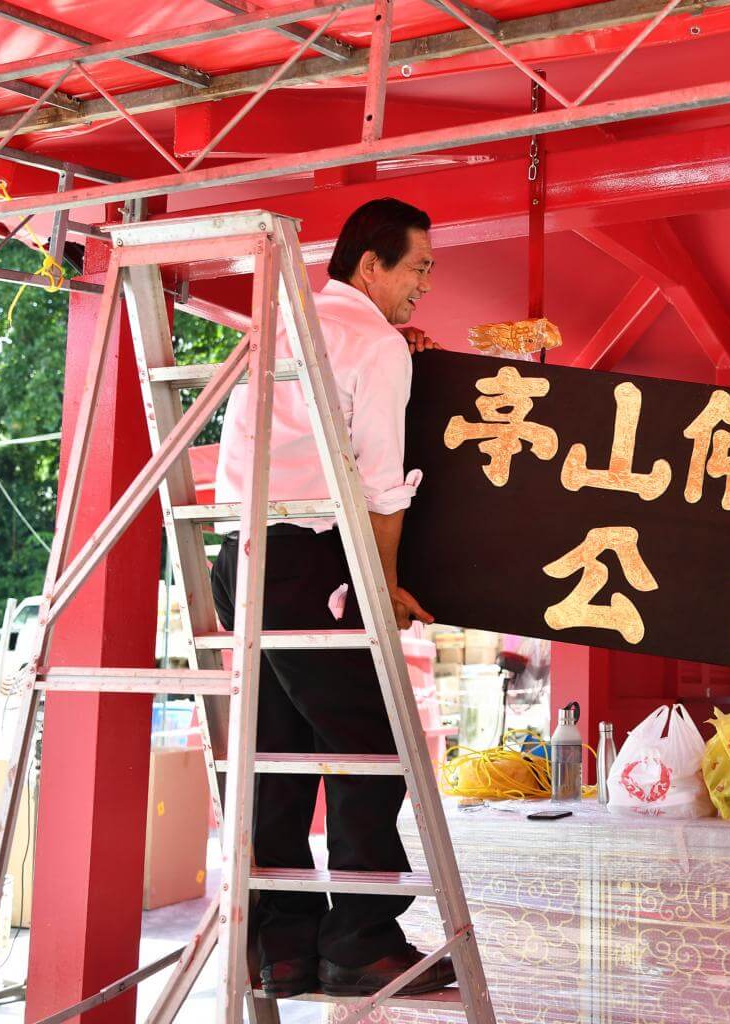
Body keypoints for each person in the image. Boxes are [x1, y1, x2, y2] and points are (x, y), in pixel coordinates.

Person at [210, 198, 453, 999]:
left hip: (237, 557)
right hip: (304, 563)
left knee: (275, 755)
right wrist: (382, 588)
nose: (425, 283)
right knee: (372, 745)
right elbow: (382, 489)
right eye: (416, 266)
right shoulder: (377, 346)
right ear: (371, 265)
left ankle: (279, 947)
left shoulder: (286, 321)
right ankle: (359, 941)